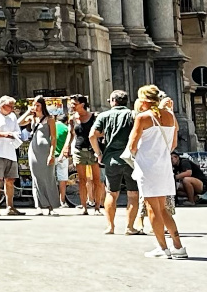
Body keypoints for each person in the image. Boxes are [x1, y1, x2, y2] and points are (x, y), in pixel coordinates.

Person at [126, 85, 187, 259]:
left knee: (153, 208)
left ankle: (162, 247)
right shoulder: (170, 116)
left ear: (143, 101)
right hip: (164, 166)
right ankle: (178, 246)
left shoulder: (143, 117)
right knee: (163, 208)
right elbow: (173, 143)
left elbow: (132, 144)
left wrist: (139, 154)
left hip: (148, 166)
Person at [91, 89, 142, 236]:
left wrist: (99, 153)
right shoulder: (133, 115)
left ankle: (110, 226)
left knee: (111, 193)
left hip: (111, 159)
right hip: (131, 159)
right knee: (133, 194)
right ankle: (130, 227)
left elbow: (92, 135)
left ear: (113, 101)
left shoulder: (104, 115)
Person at [21, 94, 66, 214]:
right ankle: (39, 206)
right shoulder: (32, 118)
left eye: (38, 105)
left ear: (42, 106)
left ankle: (51, 206)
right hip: (34, 150)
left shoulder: (50, 119)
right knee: (36, 178)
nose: (36, 107)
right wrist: (27, 112)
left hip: (46, 150)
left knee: (48, 177)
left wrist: (51, 154)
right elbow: (19, 123)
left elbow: (53, 138)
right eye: (34, 105)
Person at [68, 95, 101, 214]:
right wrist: (67, 147)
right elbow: (71, 134)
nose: (72, 106)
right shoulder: (72, 118)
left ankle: (97, 207)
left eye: (74, 104)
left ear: (82, 104)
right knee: (81, 180)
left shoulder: (94, 117)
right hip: (79, 149)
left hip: (93, 150)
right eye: (71, 104)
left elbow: (101, 132)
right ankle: (84, 207)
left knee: (96, 179)